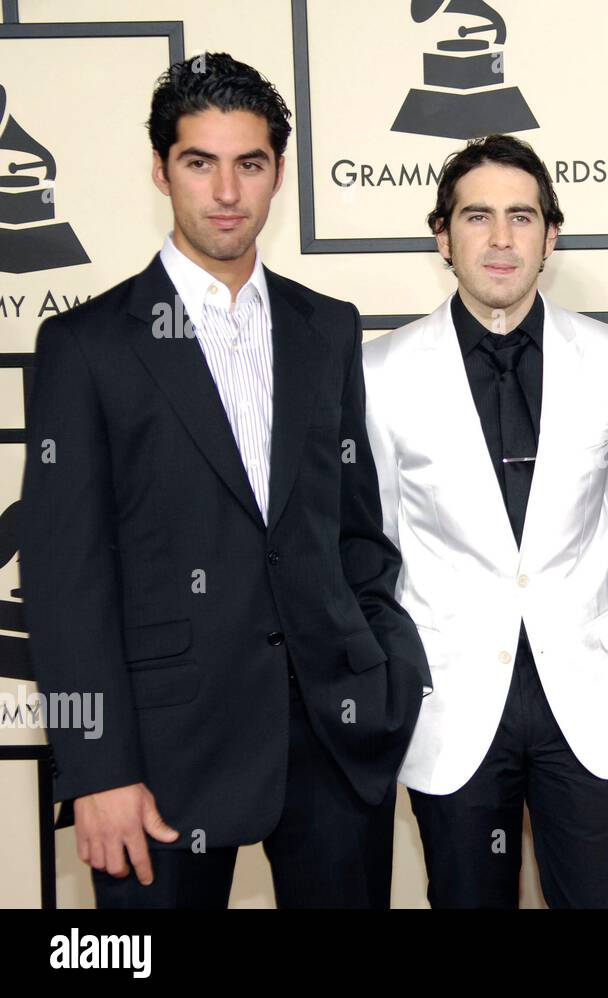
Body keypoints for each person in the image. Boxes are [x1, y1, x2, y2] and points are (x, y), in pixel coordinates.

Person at [19, 53, 428, 908]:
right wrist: (97, 770)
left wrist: (380, 669)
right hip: (160, 754)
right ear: (161, 169)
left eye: (249, 164)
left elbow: (354, 530)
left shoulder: (327, 328)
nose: (227, 191)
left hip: (333, 737)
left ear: (279, 172)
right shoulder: (88, 346)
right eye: (200, 162)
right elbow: (64, 582)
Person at [363, 134, 608, 908]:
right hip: (452, 705)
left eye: (522, 217)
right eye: (477, 217)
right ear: (442, 235)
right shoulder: (380, 373)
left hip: (586, 698)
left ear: (550, 235)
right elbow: (381, 542)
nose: (500, 239)